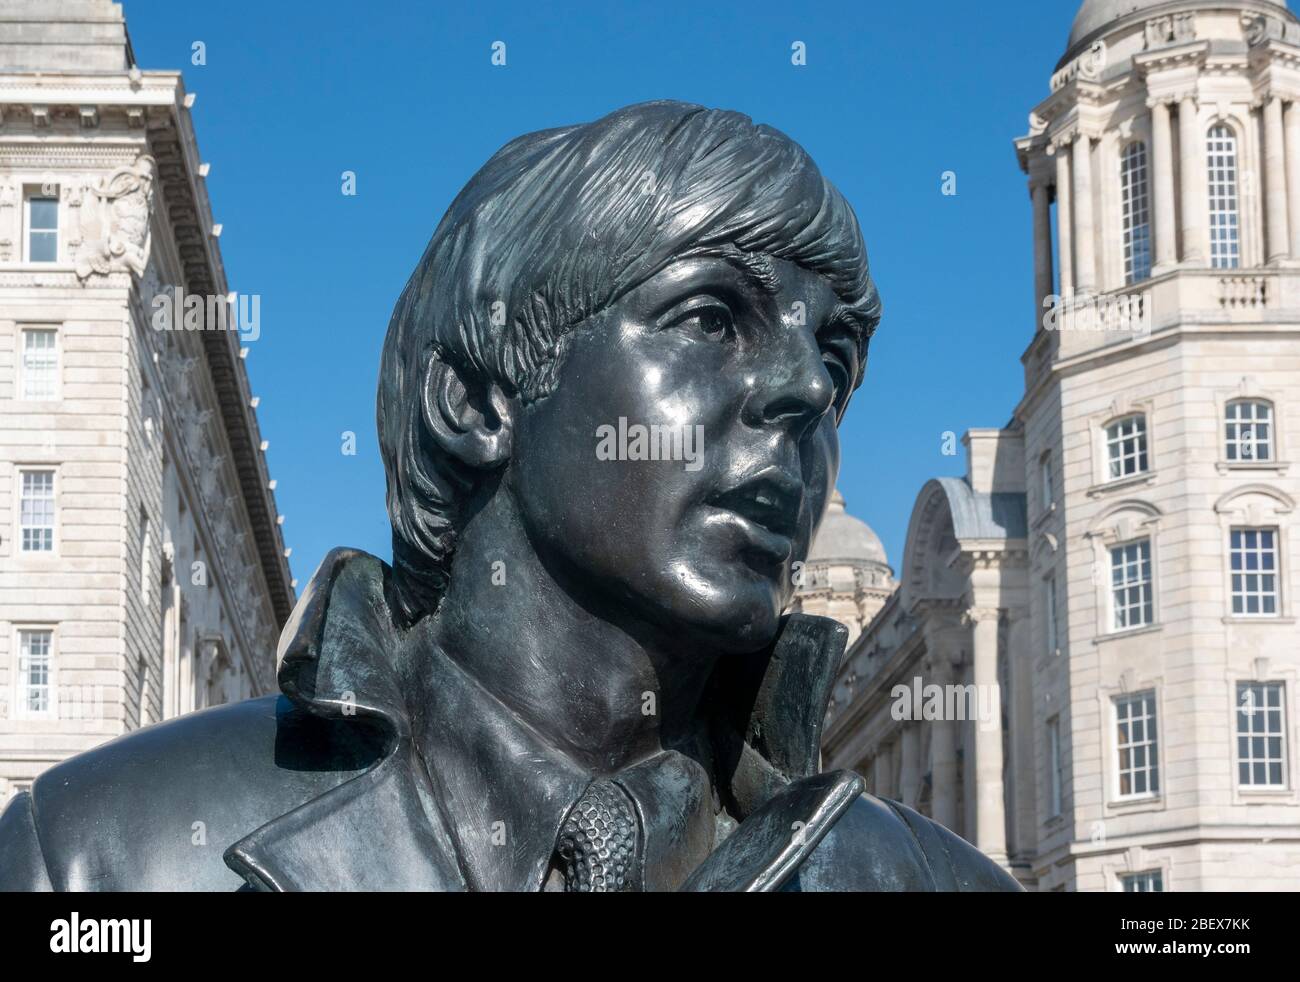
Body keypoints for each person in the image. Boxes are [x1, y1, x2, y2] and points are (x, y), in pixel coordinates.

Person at [0, 101, 1019, 892]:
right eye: (710, 318)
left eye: (833, 358)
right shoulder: (101, 853)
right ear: (477, 399)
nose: (806, 390)